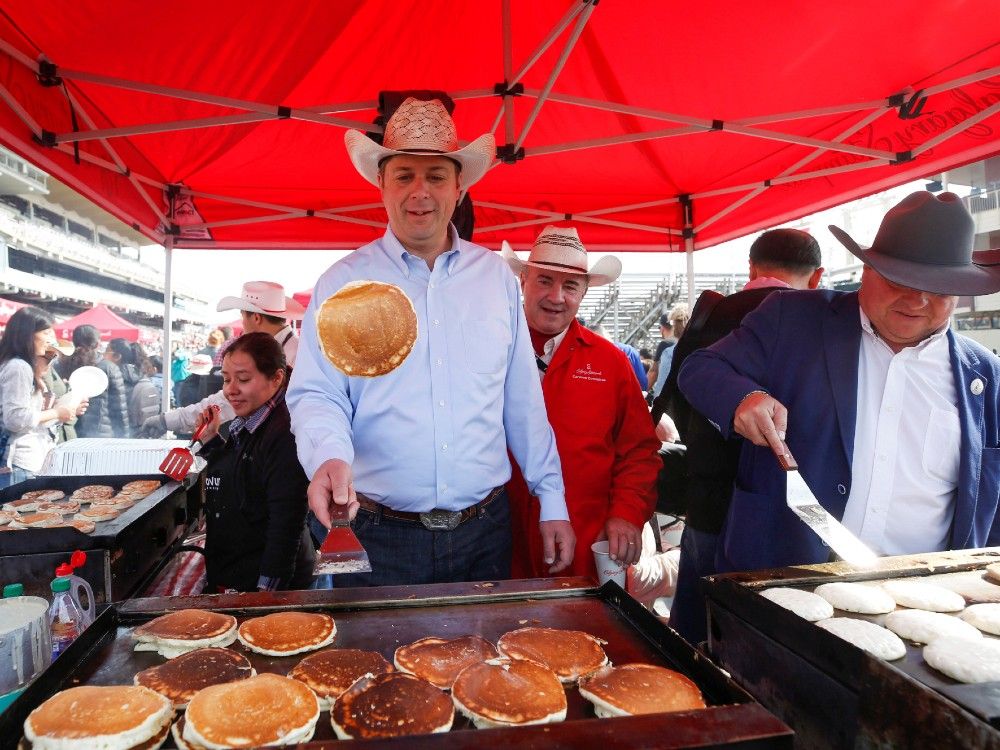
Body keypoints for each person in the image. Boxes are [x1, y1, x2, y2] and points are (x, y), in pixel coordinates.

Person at [288, 96, 573, 586]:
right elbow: (319, 394)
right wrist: (329, 455)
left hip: (483, 531)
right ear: (381, 183)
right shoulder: (342, 282)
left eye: (436, 176)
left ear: (458, 187)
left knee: (483, 661)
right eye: (404, 175)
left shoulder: (497, 280)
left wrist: (552, 499)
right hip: (377, 533)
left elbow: (521, 401)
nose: (420, 190)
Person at [679, 191, 1000, 579]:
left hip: (924, 591)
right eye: (900, 279)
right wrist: (743, 399)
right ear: (868, 269)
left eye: (939, 286)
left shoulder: (983, 374)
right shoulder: (793, 318)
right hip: (783, 573)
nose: (917, 299)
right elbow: (701, 367)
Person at [662, 228, 824, 643]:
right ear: (818, 275)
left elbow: (682, 393)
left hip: (710, 495)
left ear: (750, 267)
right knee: (768, 629)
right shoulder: (822, 320)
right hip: (788, 508)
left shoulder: (712, 312)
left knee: (695, 623)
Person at [502, 227, 661, 580]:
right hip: (498, 544)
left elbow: (639, 451)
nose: (556, 296)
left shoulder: (611, 361)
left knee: (583, 634)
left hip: (585, 541)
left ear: (585, 292)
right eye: (544, 280)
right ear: (523, 280)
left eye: (570, 286)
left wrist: (626, 513)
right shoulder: (489, 351)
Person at [193, 333, 315, 592]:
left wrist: (266, 594)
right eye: (226, 379)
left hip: (268, 579)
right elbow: (244, 476)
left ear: (277, 378)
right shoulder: (253, 420)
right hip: (241, 568)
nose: (230, 390)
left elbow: (285, 523)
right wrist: (212, 442)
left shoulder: (286, 433)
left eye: (243, 379)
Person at [140, 281, 304, 437]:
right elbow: (224, 402)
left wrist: (169, 420)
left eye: (242, 316)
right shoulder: (297, 351)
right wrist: (169, 420)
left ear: (255, 318)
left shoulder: (294, 357)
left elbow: (225, 403)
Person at [0, 307, 85, 486]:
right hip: (20, 464)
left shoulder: (22, 366)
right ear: (27, 334)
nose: (51, 340)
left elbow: (30, 418)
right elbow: (15, 419)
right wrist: (56, 413)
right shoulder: (19, 367)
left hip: (30, 461)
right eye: (46, 332)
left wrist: (66, 409)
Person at [61, 325, 128, 439]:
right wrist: (124, 438)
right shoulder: (109, 368)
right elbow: (119, 408)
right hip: (100, 436)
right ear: (98, 344)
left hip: (68, 431)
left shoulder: (61, 364)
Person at [646, 314, 675, 400]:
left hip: (665, 396)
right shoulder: (685, 342)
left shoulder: (665, 344)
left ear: (662, 328)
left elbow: (654, 372)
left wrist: (642, 391)